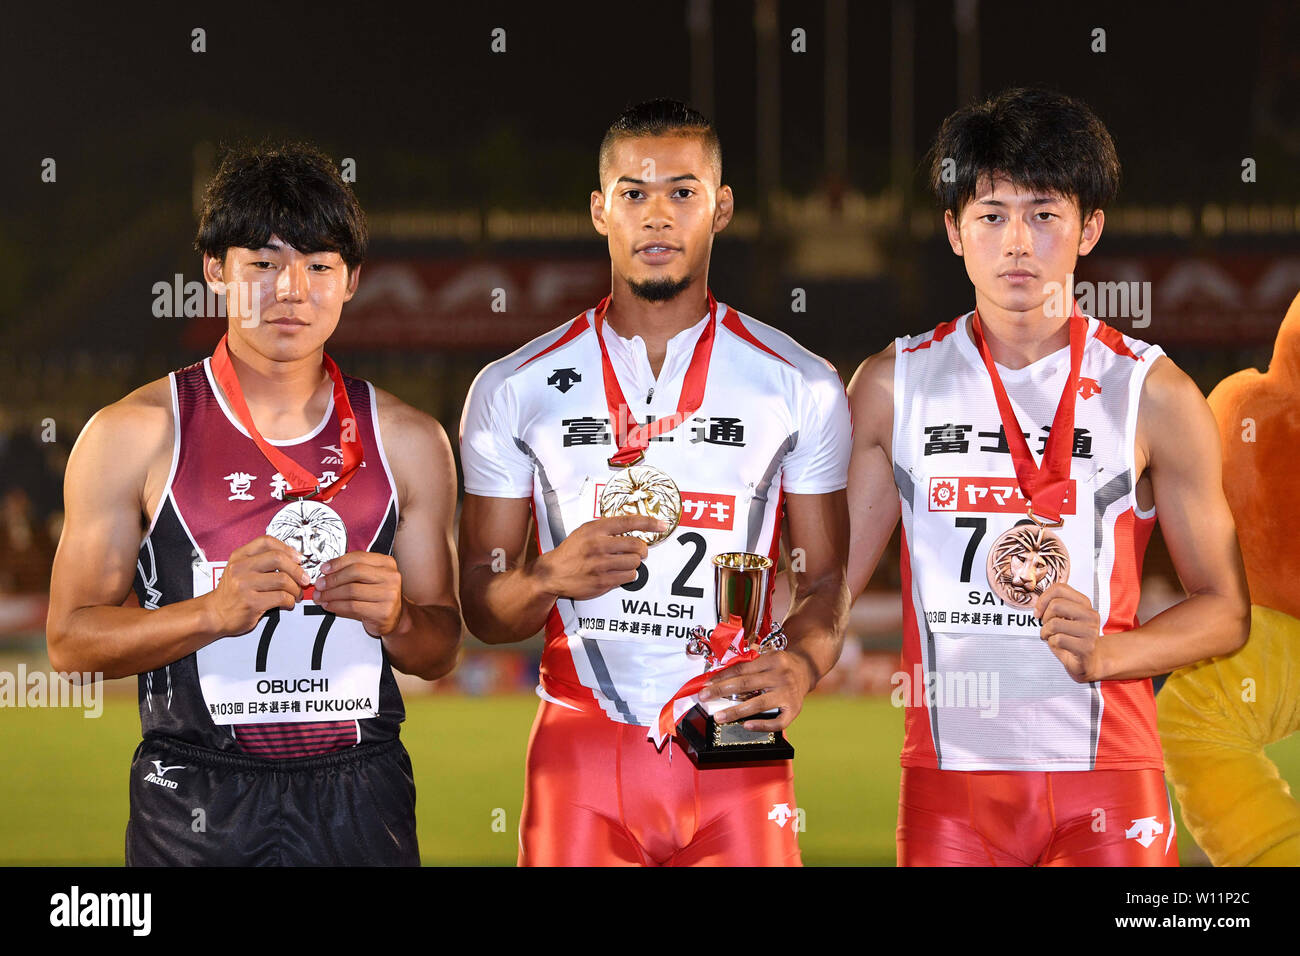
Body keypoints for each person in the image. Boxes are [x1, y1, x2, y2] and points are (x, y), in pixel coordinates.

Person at [844, 87, 1250, 866]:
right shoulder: (894, 385)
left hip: (1108, 778)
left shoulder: (1154, 393)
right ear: (954, 233)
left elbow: (1225, 611)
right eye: (991, 215)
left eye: (1044, 214)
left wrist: (1108, 656)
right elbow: (834, 586)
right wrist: (773, 649)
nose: (1017, 242)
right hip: (948, 789)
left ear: (1089, 227)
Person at [458, 100, 851, 866]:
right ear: (601, 210)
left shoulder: (800, 383)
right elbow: (483, 606)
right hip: (578, 754)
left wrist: (802, 663)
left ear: (722, 207)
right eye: (634, 194)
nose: (658, 216)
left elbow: (826, 578)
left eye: (682, 191)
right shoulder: (513, 387)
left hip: (736, 745)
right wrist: (544, 577)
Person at [46, 141, 462, 865]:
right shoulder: (134, 433)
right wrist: (210, 614)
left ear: (352, 280)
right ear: (215, 270)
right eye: (263, 264)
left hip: (360, 799)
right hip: (195, 800)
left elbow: (440, 649)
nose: (292, 290)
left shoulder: (411, 441)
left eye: (320, 265)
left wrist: (397, 618)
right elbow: (69, 644)